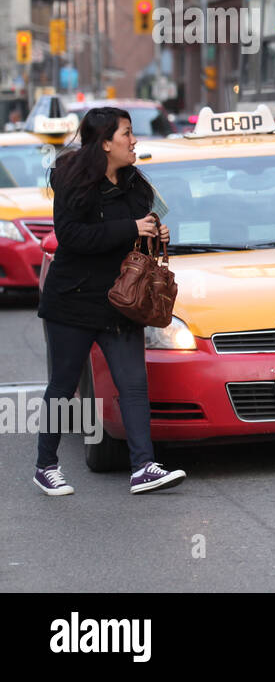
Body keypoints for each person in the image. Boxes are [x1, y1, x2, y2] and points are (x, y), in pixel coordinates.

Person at [34, 107, 186, 496]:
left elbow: (140, 242)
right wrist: (130, 227)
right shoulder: (70, 179)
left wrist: (156, 233)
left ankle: (143, 467)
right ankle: (46, 466)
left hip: (122, 300)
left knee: (133, 384)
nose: (134, 141)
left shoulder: (138, 185)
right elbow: (71, 237)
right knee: (64, 386)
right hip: (73, 299)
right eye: (126, 134)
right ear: (104, 143)